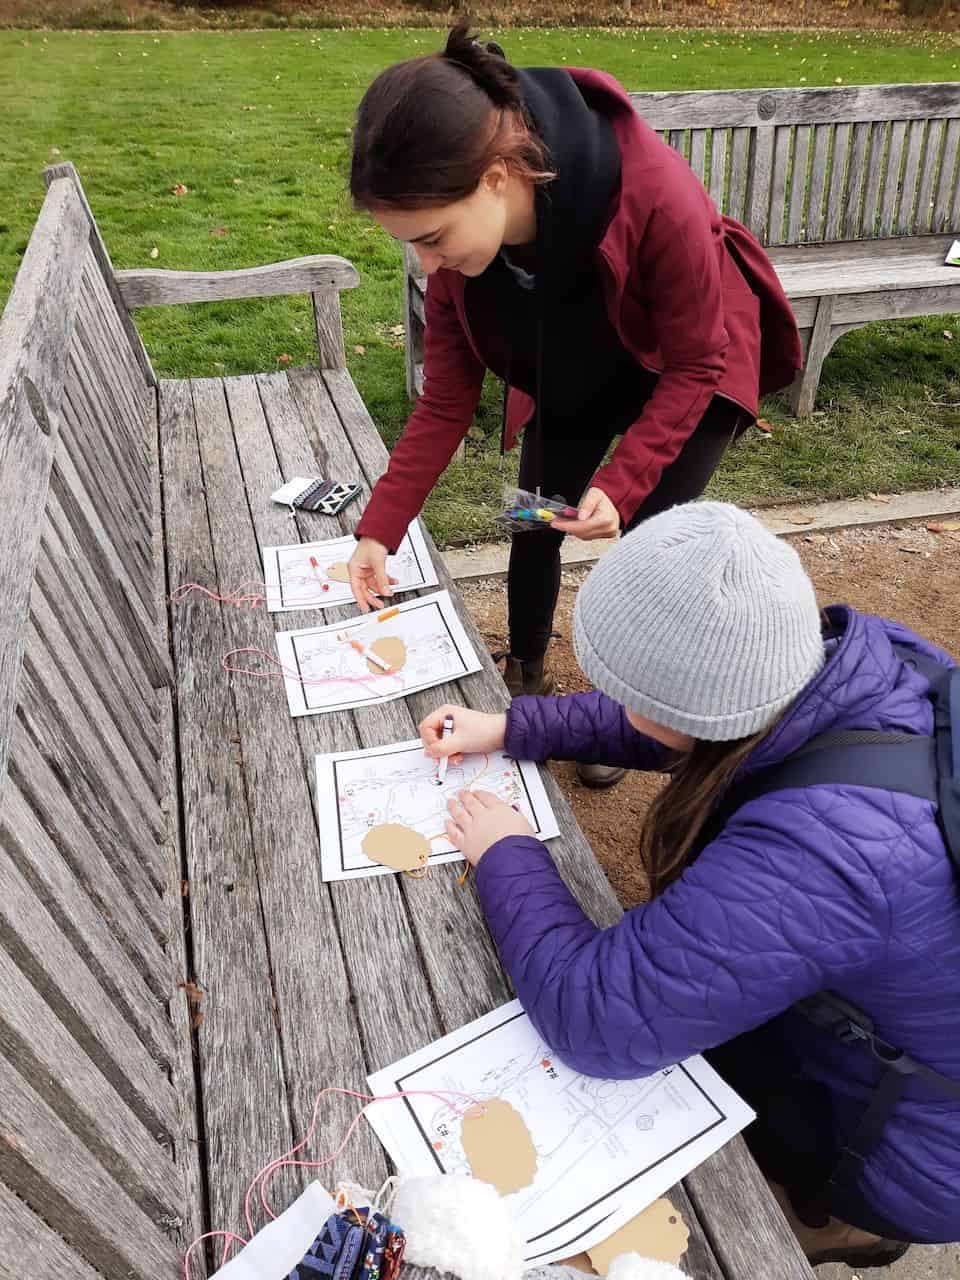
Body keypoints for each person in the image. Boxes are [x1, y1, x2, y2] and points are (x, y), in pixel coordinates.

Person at [419, 501, 960, 1268]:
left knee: (704, 1231)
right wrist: (514, 728)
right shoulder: (839, 661)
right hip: (896, 1022)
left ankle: (834, 1224)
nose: (629, 707)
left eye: (634, 691)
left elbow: (596, 1017)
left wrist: (509, 848)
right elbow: (672, 713)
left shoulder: (824, 852)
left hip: (906, 1148)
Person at [346, 22, 802, 788]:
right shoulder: (460, 256)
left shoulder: (655, 192)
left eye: (432, 237)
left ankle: (628, 715)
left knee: (653, 548)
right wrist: (379, 531)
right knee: (531, 516)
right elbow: (447, 400)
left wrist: (621, 488)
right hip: (572, 365)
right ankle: (526, 671)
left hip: (683, 366)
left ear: (497, 177)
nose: (427, 264)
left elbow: (697, 360)